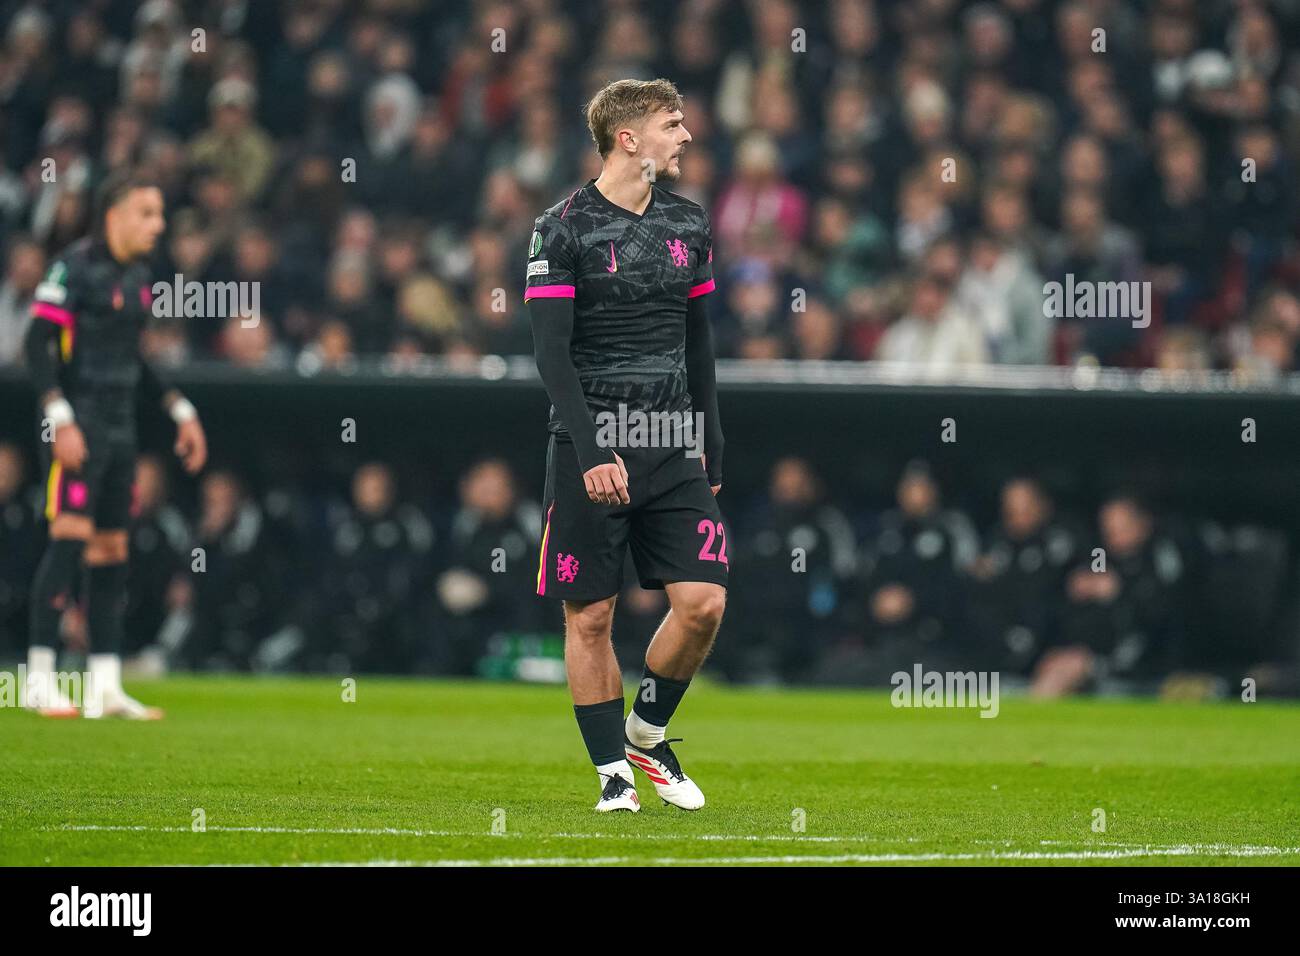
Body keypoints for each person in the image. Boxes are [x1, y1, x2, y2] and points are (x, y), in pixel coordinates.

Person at [526, 78, 726, 812]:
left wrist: (713, 441)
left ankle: (645, 732)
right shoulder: (561, 227)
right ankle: (612, 773)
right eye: (674, 124)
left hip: (673, 443)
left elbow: (699, 344)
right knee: (592, 615)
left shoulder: (691, 222)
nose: (687, 136)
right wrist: (590, 451)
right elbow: (552, 355)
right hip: (593, 442)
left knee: (704, 601)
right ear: (629, 138)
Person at [23, 170, 207, 718]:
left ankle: (104, 685)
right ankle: (38, 678)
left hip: (122, 427)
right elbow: (38, 342)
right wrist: (59, 416)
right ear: (115, 215)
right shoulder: (72, 267)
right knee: (68, 542)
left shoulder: (139, 277)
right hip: (78, 424)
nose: (159, 224)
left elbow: (136, 359)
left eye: (159, 214)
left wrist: (180, 407)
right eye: (147, 213)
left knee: (111, 553)